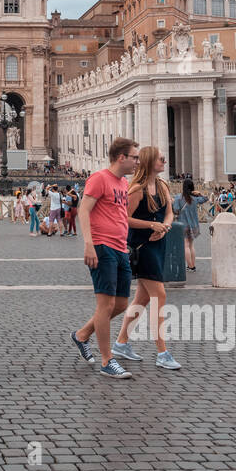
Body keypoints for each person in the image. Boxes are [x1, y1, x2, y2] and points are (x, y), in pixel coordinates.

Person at [70, 137, 141, 380]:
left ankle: (81, 335)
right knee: (105, 305)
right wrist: (89, 244)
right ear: (121, 157)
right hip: (102, 247)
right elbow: (84, 210)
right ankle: (106, 360)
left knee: (120, 304)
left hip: (121, 248)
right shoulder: (99, 178)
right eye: (134, 157)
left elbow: (119, 215)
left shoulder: (122, 183)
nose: (136, 162)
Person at [112, 147, 180, 370]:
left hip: (158, 242)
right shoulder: (137, 190)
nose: (164, 160)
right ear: (151, 162)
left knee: (141, 299)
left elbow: (169, 212)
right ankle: (162, 352)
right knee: (159, 296)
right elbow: (124, 219)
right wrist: (152, 224)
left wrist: (165, 226)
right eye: (161, 158)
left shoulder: (162, 186)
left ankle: (121, 343)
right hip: (142, 247)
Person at [172, 179, 205, 273]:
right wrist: (199, 193)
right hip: (194, 224)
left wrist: (173, 202)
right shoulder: (195, 198)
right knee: (191, 245)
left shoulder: (178, 198)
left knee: (185, 245)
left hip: (183, 224)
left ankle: (190, 266)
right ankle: (193, 265)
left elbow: (176, 210)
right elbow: (205, 199)